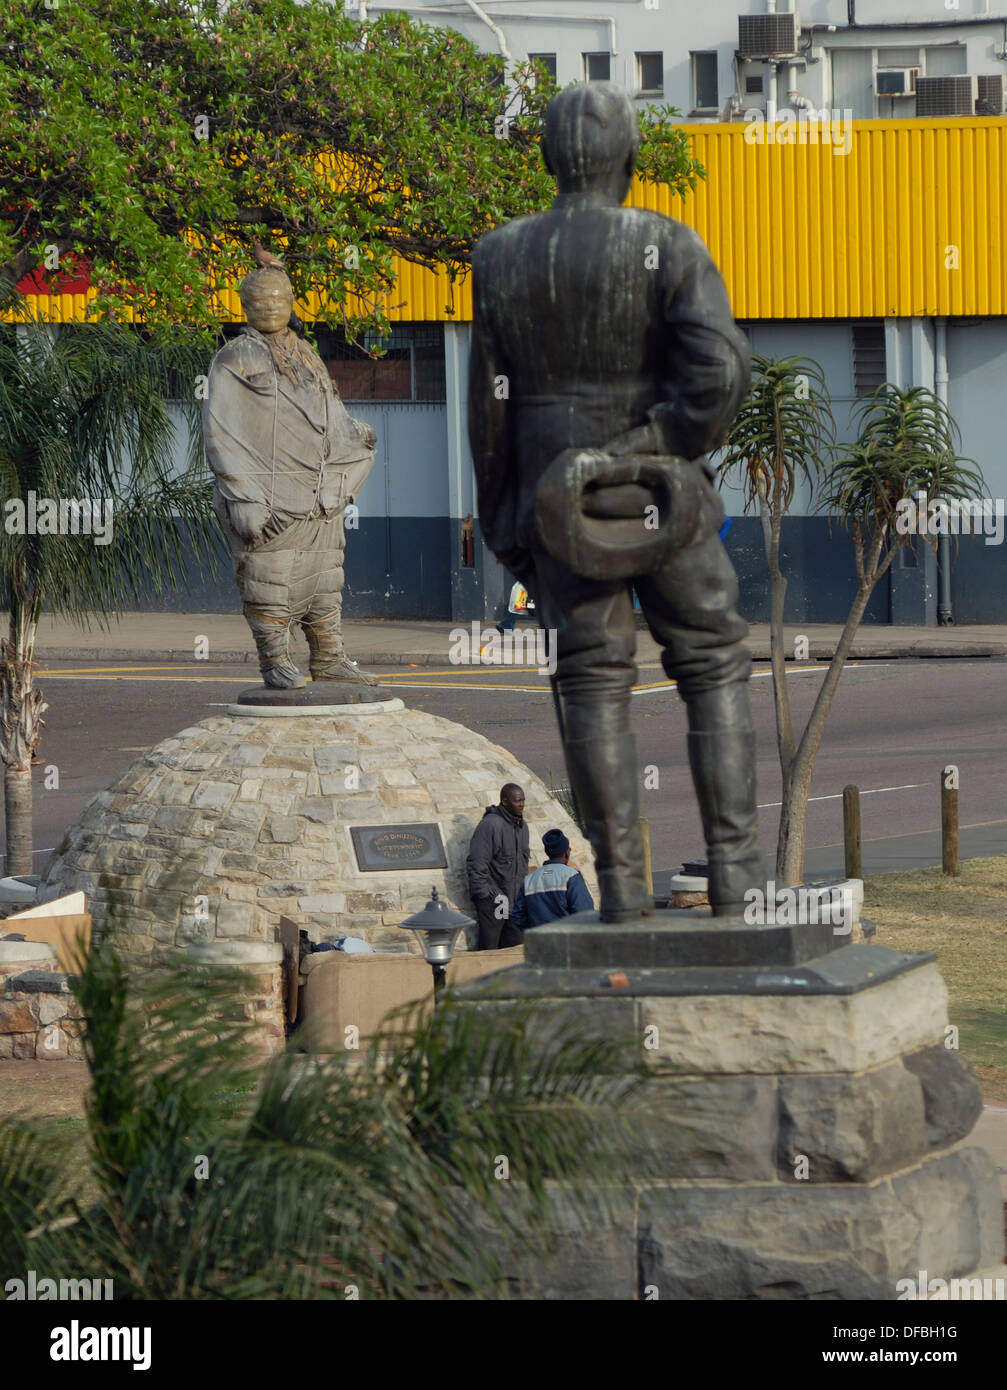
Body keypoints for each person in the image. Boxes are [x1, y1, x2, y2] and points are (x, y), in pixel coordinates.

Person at [467, 81, 762, 921]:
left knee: (592, 682)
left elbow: (490, 404)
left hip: (561, 507)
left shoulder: (501, 255)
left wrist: (503, 517)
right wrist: (655, 438)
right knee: (711, 669)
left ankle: (624, 898)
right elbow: (717, 374)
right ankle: (735, 883)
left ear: (549, 161)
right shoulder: (664, 242)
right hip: (663, 499)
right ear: (630, 160)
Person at [203, 264, 377, 690]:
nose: (270, 307)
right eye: (260, 301)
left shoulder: (305, 353)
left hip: (318, 492)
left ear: (292, 302)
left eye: (279, 299)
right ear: (245, 306)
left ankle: (330, 657)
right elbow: (219, 430)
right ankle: (275, 661)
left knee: (325, 578)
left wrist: (353, 443)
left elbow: (329, 410)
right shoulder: (233, 357)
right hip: (269, 494)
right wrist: (242, 493)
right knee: (270, 579)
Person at [465, 783, 530, 949]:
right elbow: (477, 862)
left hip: (514, 903)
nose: (521, 804)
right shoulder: (490, 825)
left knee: (514, 950)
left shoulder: (523, 827)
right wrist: (485, 897)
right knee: (490, 950)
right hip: (493, 901)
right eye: (517, 801)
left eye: (523, 800)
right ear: (505, 801)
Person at [511, 829, 594, 929]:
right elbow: (585, 914)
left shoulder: (529, 880)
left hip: (539, 941)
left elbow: (518, 916)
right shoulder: (571, 876)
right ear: (566, 853)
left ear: (547, 852)